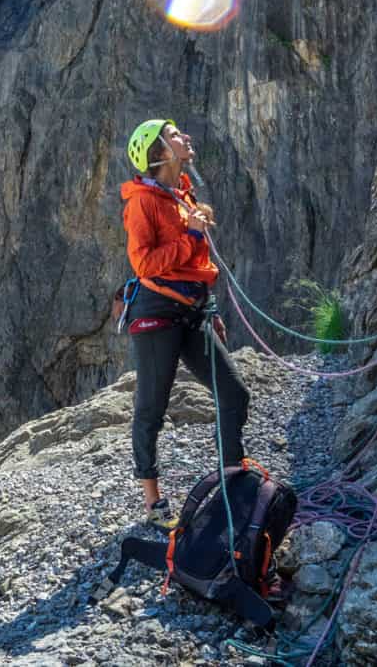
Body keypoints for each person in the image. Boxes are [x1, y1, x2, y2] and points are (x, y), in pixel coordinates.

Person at [118, 118, 250, 531]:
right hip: (156, 314)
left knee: (235, 394)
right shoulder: (144, 202)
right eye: (175, 136)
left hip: (190, 311)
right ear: (159, 153)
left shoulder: (181, 194)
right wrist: (190, 235)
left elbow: (195, 263)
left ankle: (233, 485)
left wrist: (209, 307)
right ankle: (153, 501)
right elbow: (144, 265)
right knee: (151, 408)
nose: (185, 138)